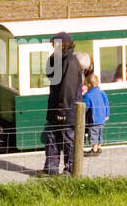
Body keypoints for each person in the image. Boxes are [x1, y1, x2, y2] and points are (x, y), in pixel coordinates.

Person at [41, 31, 82, 175]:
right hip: (55, 108)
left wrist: (62, 110)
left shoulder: (71, 62)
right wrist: (52, 59)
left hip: (66, 110)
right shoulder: (60, 60)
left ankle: (70, 170)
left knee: (68, 140)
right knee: (51, 137)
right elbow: (49, 74)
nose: (53, 47)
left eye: (54, 45)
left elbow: (68, 88)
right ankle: (50, 169)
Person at [81, 67, 111, 155]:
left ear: (89, 85)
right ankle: (99, 147)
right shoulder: (102, 93)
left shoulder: (88, 95)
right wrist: (107, 114)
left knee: (93, 133)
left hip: (93, 119)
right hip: (102, 118)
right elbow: (107, 104)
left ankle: (93, 149)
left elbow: (85, 107)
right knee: (100, 133)